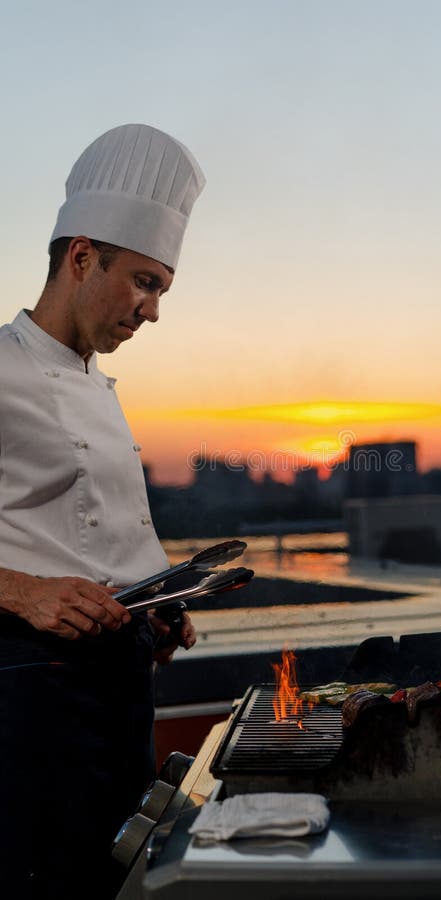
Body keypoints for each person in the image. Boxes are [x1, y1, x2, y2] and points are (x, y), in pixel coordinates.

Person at [0, 124, 205, 898]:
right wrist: (26, 592)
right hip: (31, 707)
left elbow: (90, 539)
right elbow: (46, 573)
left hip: (118, 701)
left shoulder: (97, 384)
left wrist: (156, 601)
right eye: (145, 283)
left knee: (120, 887)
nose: (151, 311)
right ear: (82, 257)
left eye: (161, 291)